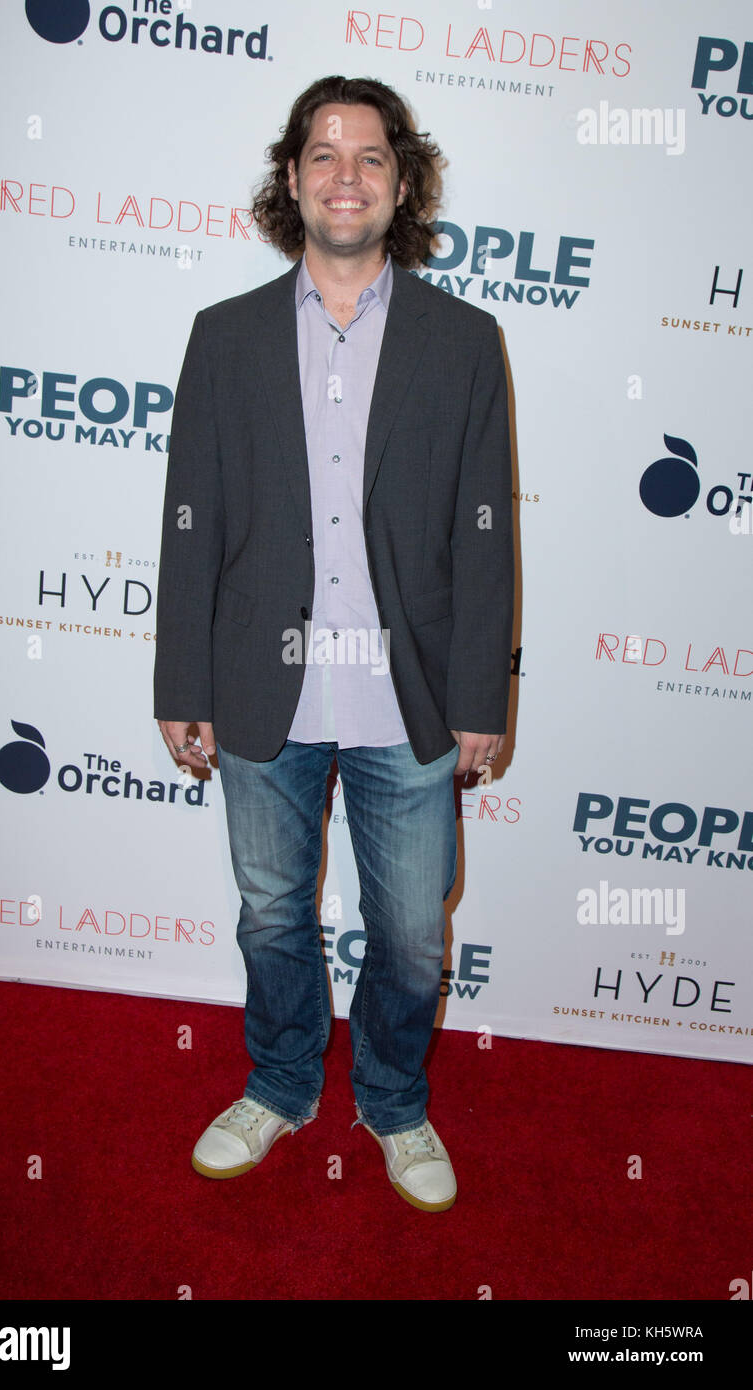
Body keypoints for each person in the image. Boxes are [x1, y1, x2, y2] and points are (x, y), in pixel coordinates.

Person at [154, 74, 514, 1213]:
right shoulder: (224, 337)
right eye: (323, 154)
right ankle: (278, 1082)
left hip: (406, 700)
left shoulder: (465, 341)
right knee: (271, 912)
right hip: (263, 695)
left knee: (410, 932)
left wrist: (482, 699)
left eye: (368, 157)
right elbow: (190, 520)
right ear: (291, 178)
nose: (344, 175)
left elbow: (484, 533)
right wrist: (182, 681)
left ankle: (397, 1101)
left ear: (400, 183)